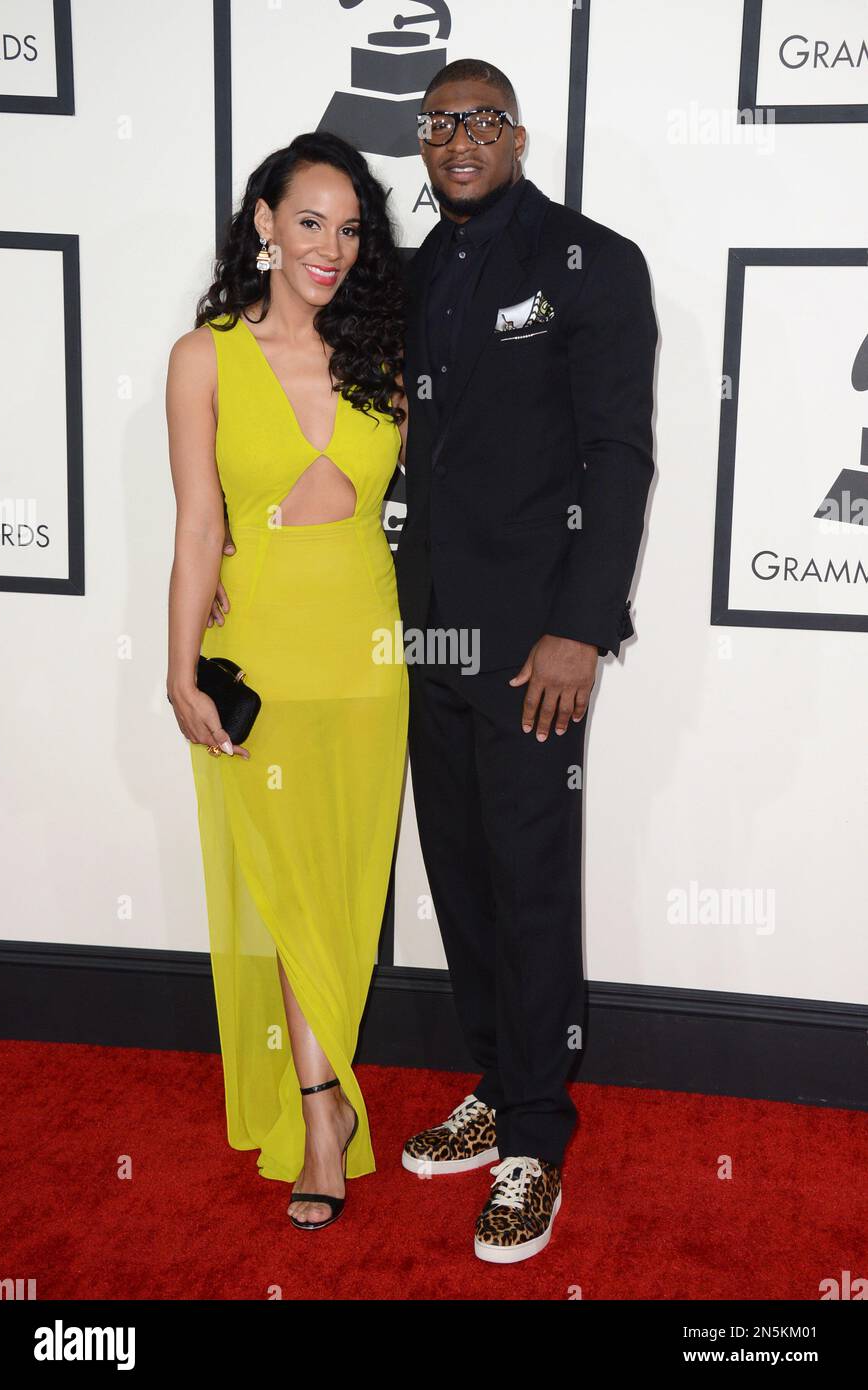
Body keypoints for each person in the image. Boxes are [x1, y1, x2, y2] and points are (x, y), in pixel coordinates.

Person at [395, 59, 659, 1264]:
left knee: (530, 878)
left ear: (516, 134)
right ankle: (496, 1084)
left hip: (533, 643)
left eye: (481, 121)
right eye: (441, 122)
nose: (460, 140)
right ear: (421, 135)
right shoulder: (412, 271)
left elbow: (617, 455)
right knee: (457, 870)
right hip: (426, 629)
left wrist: (580, 625)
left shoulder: (589, 262)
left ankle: (535, 1142)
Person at [165, 132, 408, 1231]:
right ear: (262, 220)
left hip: (364, 661)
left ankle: (325, 1098)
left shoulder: (383, 358)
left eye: (351, 227)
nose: (332, 247)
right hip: (258, 656)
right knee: (282, 894)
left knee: (338, 898)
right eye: (309, 221)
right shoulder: (202, 356)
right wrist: (179, 670)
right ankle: (321, 1115)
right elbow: (198, 526)